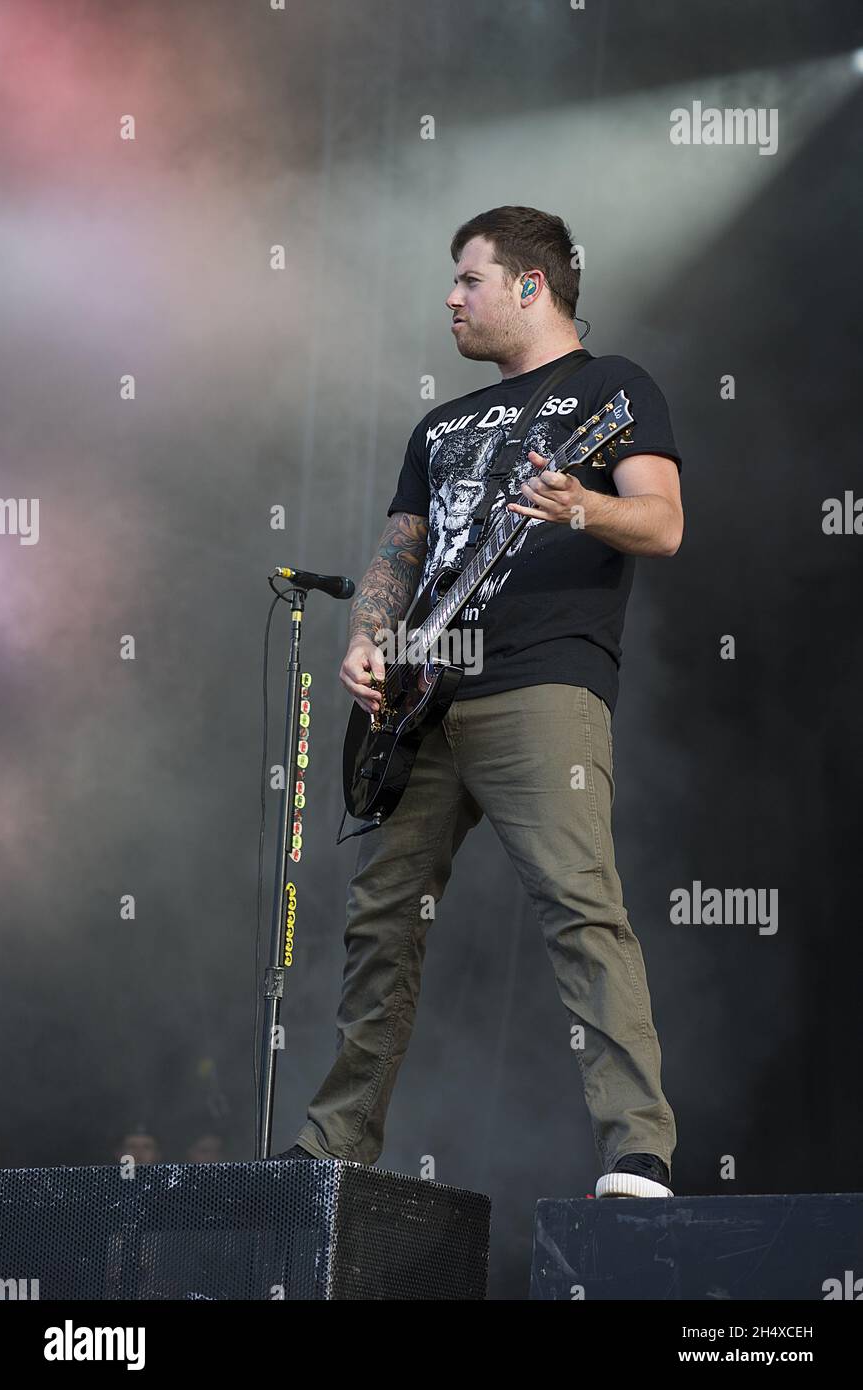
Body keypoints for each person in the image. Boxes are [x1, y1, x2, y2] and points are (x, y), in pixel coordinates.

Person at [277, 206, 683, 1198]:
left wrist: (576, 503)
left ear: (529, 287)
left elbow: (663, 522)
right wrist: (368, 634)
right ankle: (333, 1146)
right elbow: (400, 550)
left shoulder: (610, 388)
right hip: (418, 706)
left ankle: (636, 1151)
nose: (450, 299)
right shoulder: (440, 423)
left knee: (579, 908)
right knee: (379, 923)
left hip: (539, 682)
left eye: (467, 279)